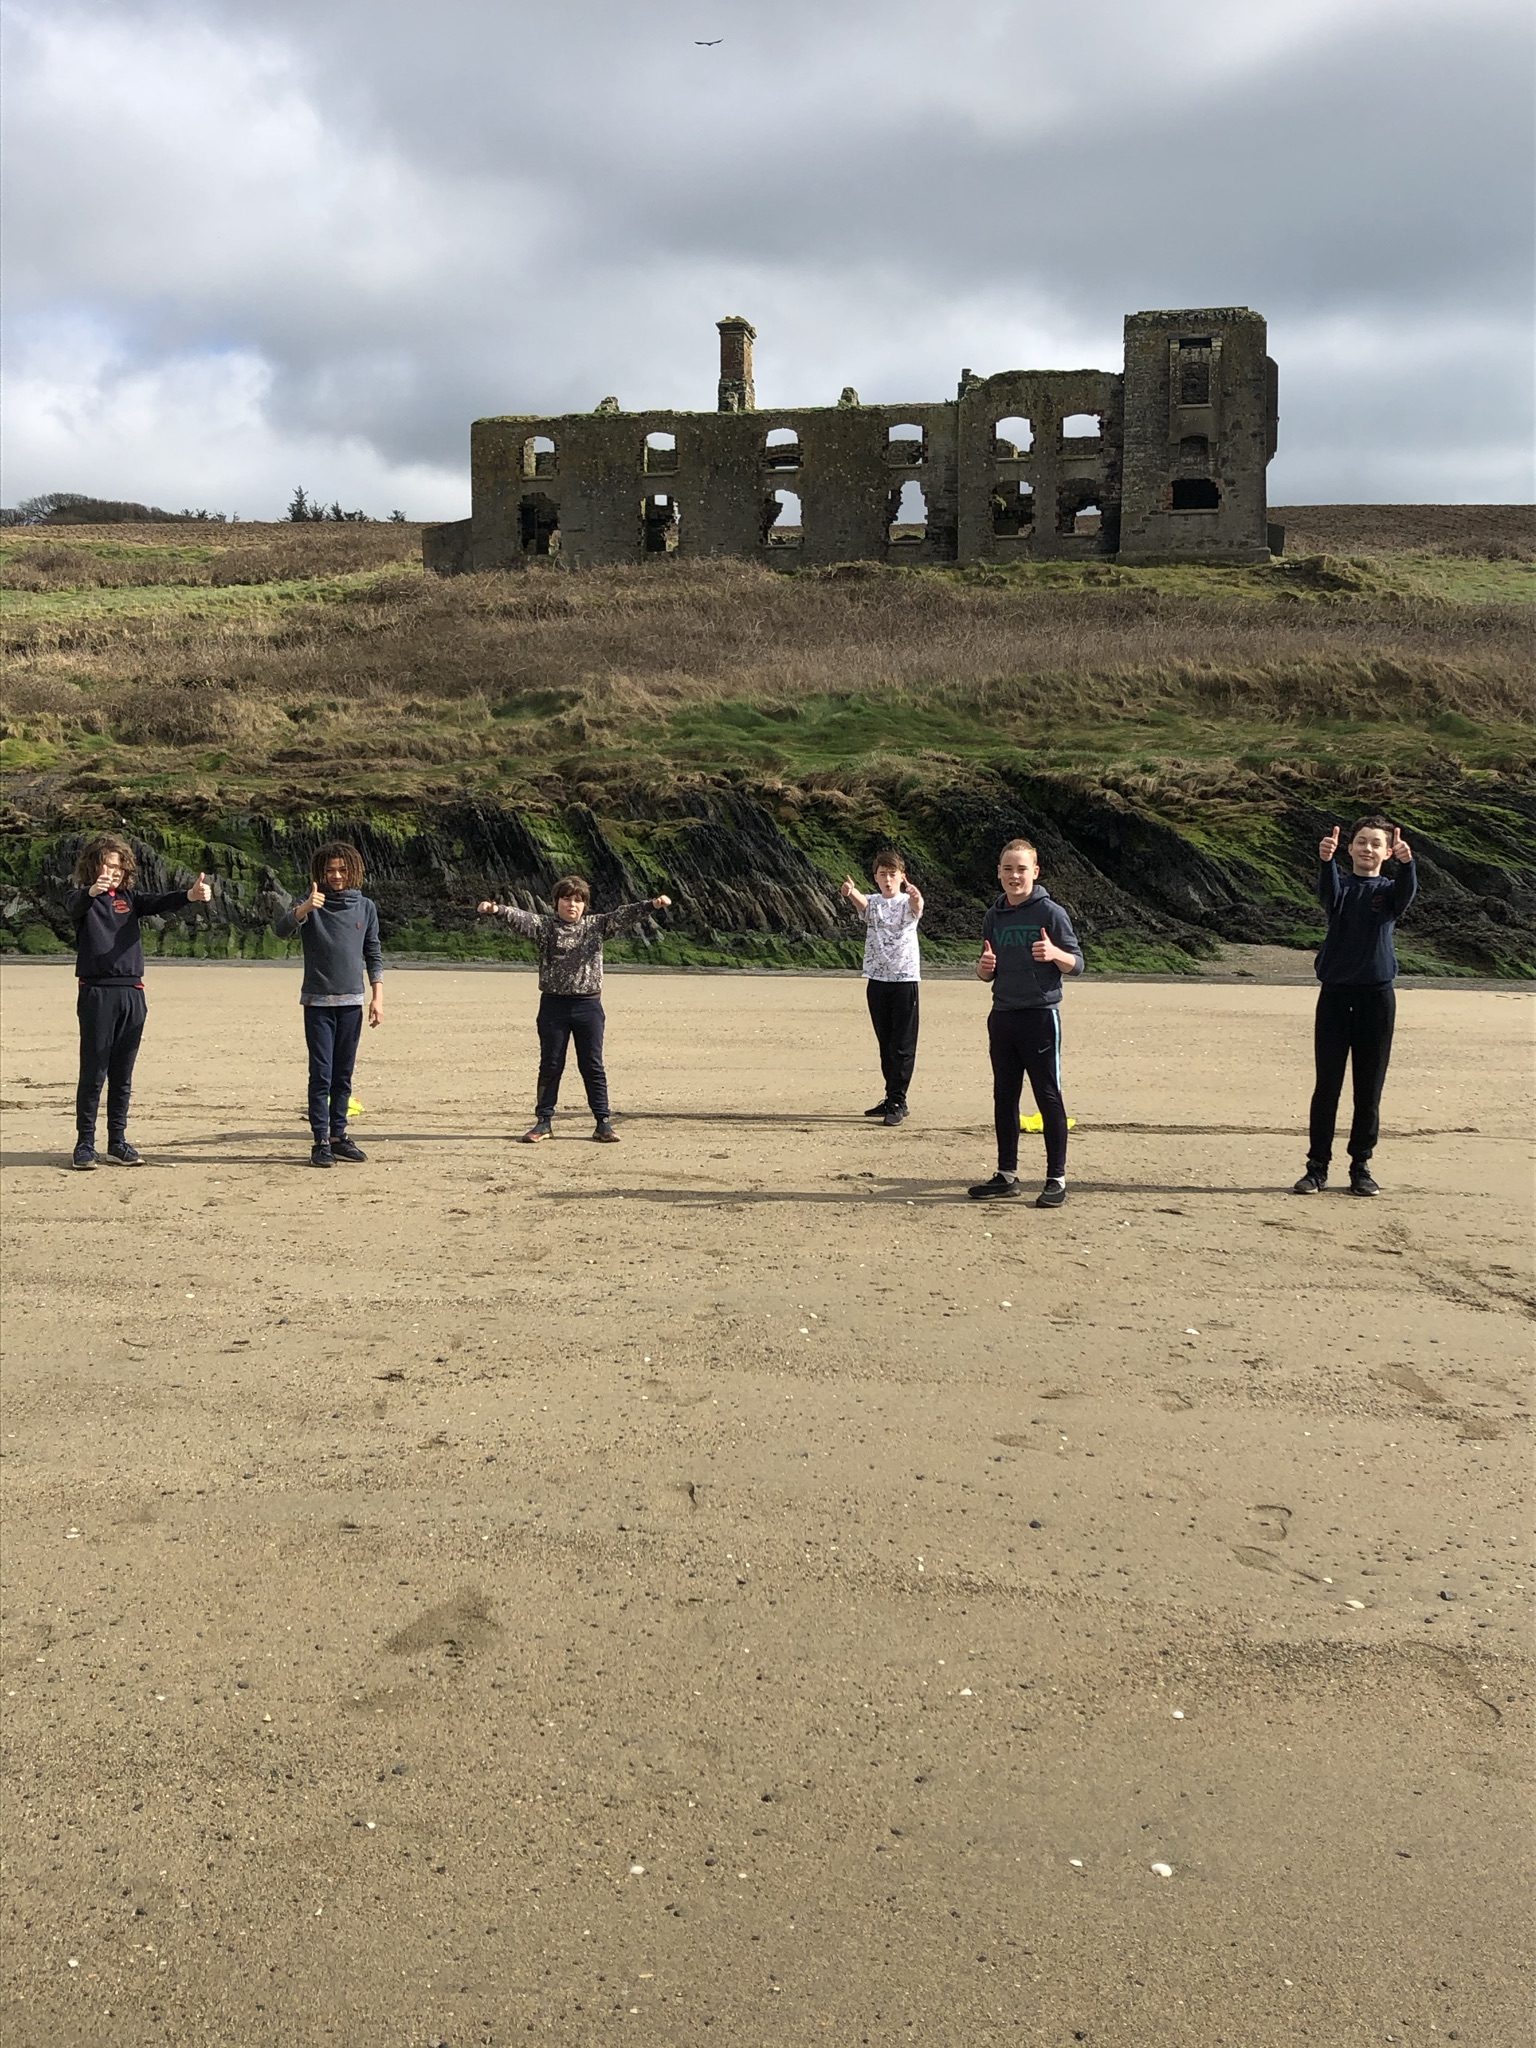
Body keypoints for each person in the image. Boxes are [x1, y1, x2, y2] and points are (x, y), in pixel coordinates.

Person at [476, 877, 671, 1142]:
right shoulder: (545, 927)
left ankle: (603, 1123)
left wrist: (651, 905)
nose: (572, 905)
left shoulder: (596, 926)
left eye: (578, 900)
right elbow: (521, 917)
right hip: (553, 1006)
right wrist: (496, 909)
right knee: (551, 1064)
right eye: (567, 899)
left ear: (585, 905)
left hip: (588, 1006)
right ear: (557, 902)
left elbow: (623, 915)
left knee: (592, 1065)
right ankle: (543, 1123)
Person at [66, 834, 212, 1170]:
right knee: (94, 1071)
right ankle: (84, 1144)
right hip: (97, 992)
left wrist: (190, 895)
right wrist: (93, 891)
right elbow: (75, 905)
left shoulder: (130, 899)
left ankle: (117, 1142)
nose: (114, 872)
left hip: (133, 991)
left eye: (119, 866)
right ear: (94, 866)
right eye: (108, 865)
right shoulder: (81, 898)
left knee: (123, 1073)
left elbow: (159, 901)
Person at [1293, 816, 1416, 1197]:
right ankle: (1316, 1168)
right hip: (1335, 996)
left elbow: (1406, 894)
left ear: (1386, 852)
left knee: (1369, 1089)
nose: (1367, 848)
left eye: (1376, 843)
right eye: (1361, 842)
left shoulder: (1390, 892)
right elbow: (1327, 897)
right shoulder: (1342, 888)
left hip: (1377, 999)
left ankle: (1360, 1166)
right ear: (1350, 848)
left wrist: (1408, 865)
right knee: (1327, 1086)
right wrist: (1326, 862)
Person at [968, 837, 1083, 1208]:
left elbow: (1077, 964)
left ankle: (1056, 1179)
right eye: (1008, 869)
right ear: (999, 873)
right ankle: (1006, 1175)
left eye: (1021, 869)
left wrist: (1054, 953)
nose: (1014, 876)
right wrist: (983, 969)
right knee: (1004, 1095)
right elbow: (987, 970)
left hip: (1040, 1014)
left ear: (1035, 872)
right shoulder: (993, 915)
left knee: (1048, 1094)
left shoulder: (1051, 913)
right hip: (1002, 1015)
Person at [272, 842, 384, 1168]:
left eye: (342, 870)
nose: (336, 876)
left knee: (343, 1074)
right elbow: (281, 930)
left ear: (353, 871)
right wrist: (305, 908)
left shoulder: (365, 907)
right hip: (317, 1002)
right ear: (320, 872)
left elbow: (373, 952)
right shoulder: (310, 901)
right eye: (330, 870)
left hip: (352, 1001)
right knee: (321, 1074)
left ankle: (339, 1136)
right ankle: (320, 1141)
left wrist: (377, 997)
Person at [841, 849, 924, 1126]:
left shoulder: (907, 902)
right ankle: (891, 1097)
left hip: (904, 980)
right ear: (875, 878)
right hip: (877, 980)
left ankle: (898, 1100)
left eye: (892, 874)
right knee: (886, 1043)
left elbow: (917, 907)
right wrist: (850, 891)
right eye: (882, 875)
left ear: (902, 876)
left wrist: (915, 896)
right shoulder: (874, 903)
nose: (887, 879)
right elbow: (862, 903)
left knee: (902, 1044)